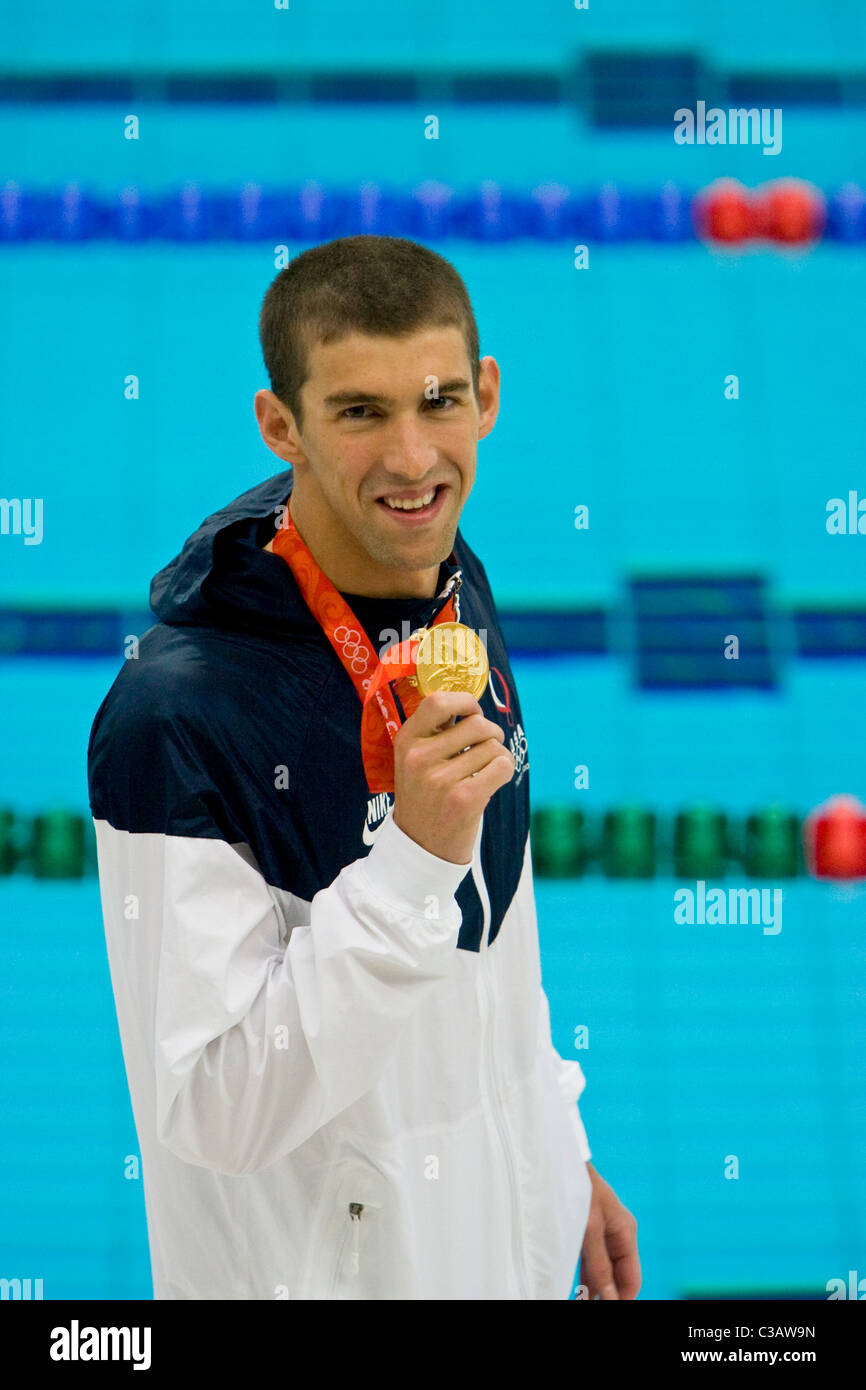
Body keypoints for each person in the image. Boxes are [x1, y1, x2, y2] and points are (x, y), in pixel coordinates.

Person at [87, 233, 640, 1300]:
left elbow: (495, 932)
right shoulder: (179, 714)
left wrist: (545, 1153)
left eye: (436, 402)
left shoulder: (446, 576)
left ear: (484, 395)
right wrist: (409, 865)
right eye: (359, 412)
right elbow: (212, 1106)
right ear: (279, 424)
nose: (409, 458)